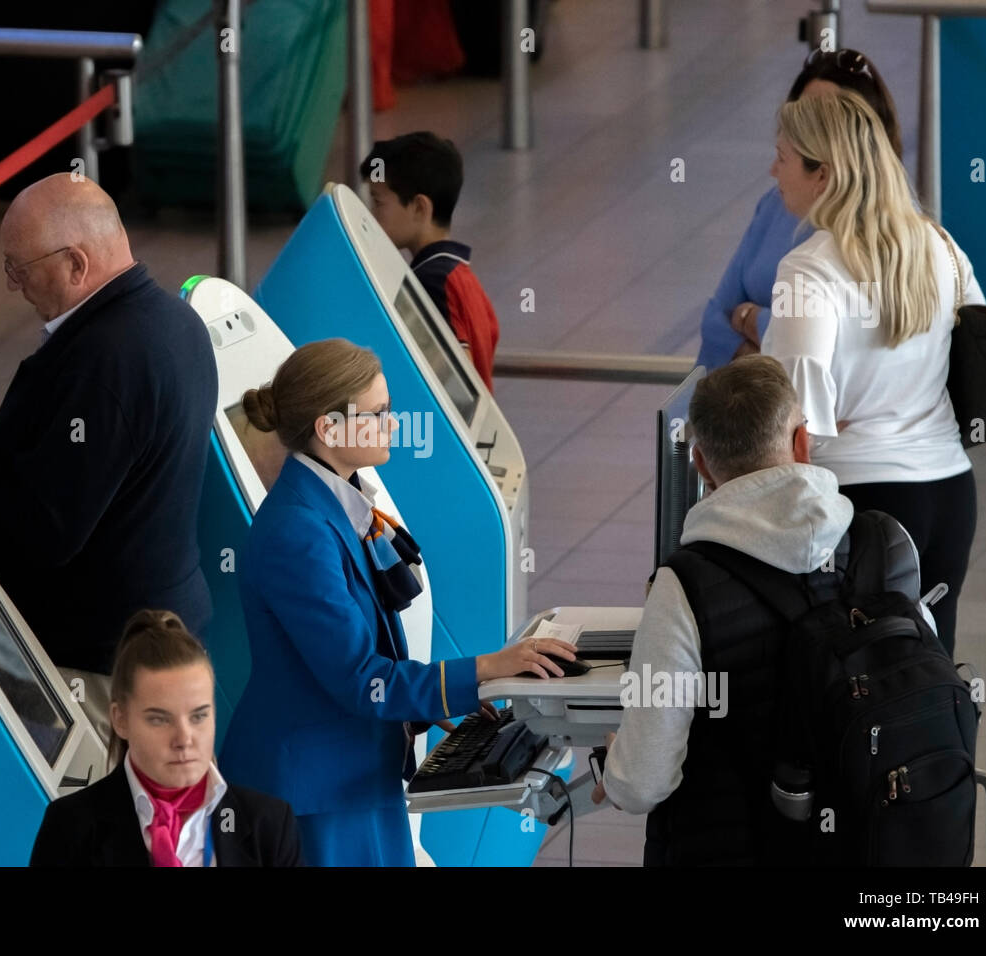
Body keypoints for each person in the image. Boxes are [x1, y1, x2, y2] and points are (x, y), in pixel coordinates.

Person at [218, 338, 576, 866]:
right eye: (380, 413)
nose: (393, 425)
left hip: (348, 773)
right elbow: (360, 677)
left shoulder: (337, 502)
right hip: (313, 795)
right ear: (329, 428)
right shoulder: (298, 532)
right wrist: (486, 668)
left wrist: (427, 705)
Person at [0, 174, 217, 742]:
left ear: (75, 263)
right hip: (147, 625)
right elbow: (101, 460)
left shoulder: (104, 359)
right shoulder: (171, 320)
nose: (13, 284)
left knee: (87, 819)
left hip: (91, 663)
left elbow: (49, 529)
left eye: (19, 268)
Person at [592, 356, 933, 865]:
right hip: (870, 846)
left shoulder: (683, 586)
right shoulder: (884, 545)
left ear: (702, 464)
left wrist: (612, 769)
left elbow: (643, 782)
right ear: (802, 442)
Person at [761, 89, 981, 656]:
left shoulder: (808, 269)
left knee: (860, 689)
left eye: (783, 156)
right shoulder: (939, 245)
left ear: (823, 174)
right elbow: (976, 344)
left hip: (864, 501)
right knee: (930, 678)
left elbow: (793, 417)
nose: (773, 170)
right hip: (948, 490)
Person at [30, 610, 304, 867]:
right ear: (120, 719)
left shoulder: (269, 826)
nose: (184, 739)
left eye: (198, 716)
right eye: (159, 719)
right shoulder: (71, 827)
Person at [697, 49, 904, 369]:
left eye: (829, 122)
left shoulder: (893, 227)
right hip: (747, 404)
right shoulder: (774, 205)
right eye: (808, 118)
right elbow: (716, 317)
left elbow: (851, 347)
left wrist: (752, 318)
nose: (814, 131)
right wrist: (769, 355)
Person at [361, 132, 501, 390]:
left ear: (419, 208)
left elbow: (458, 381)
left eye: (378, 202)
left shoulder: (432, 282)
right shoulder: (463, 276)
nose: (371, 215)